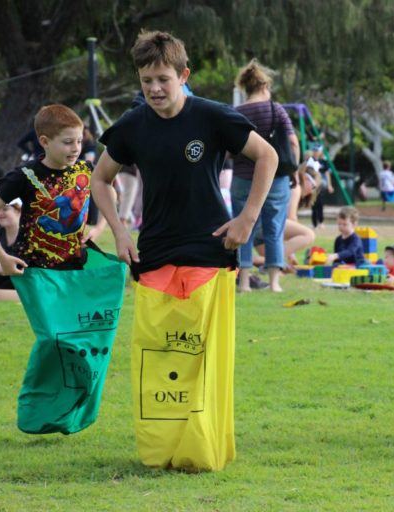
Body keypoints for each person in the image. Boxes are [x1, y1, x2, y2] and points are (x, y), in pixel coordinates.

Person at [90, 30, 276, 471]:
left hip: (210, 251)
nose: (154, 89)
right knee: (159, 357)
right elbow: (100, 179)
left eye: (163, 79)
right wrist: (118, 232)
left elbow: (267, 156)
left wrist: (247, 219)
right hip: (153, 254)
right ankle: (162, 448)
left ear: (183, 75)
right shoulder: (133, 125)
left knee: (200, 359)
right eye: (146, 80)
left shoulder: (212, 116)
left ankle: (199, 447)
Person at [0, 104, 105, 274]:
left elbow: (109, 193)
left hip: (74, 266)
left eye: (79, 141)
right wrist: (1, 256)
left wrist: (99, 227)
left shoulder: (85, 170)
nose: (76, 148)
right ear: (44, 141)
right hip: (33, 270)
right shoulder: (25, 175)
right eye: (68, 142)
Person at [230, 59, 299, 292]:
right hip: (275, 178)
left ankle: (244, 282)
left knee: (243, 227)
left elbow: (229, 148)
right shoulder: (275, 109)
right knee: (274, 229)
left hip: (242, 178)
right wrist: (293, 169)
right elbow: (292, 141)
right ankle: (274, 282)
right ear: (265, 86)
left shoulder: (236, 113)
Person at [306, 143, 333, 229]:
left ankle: (321, 222)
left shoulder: (324, 162)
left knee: (320, 203)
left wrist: (329, 185)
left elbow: (327, 174)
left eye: (317, 150)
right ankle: (314, 223)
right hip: (313, 184)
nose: (315, 152)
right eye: (314, 150)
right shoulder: (310, 160)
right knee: (313, 203)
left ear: (320, 151)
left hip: (321, 184)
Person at [116, 164, 141, 229]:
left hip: (121, 171)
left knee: (122, 197)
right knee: (128, 198)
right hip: (130, 172)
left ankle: (121, 220)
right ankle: (122, 220)